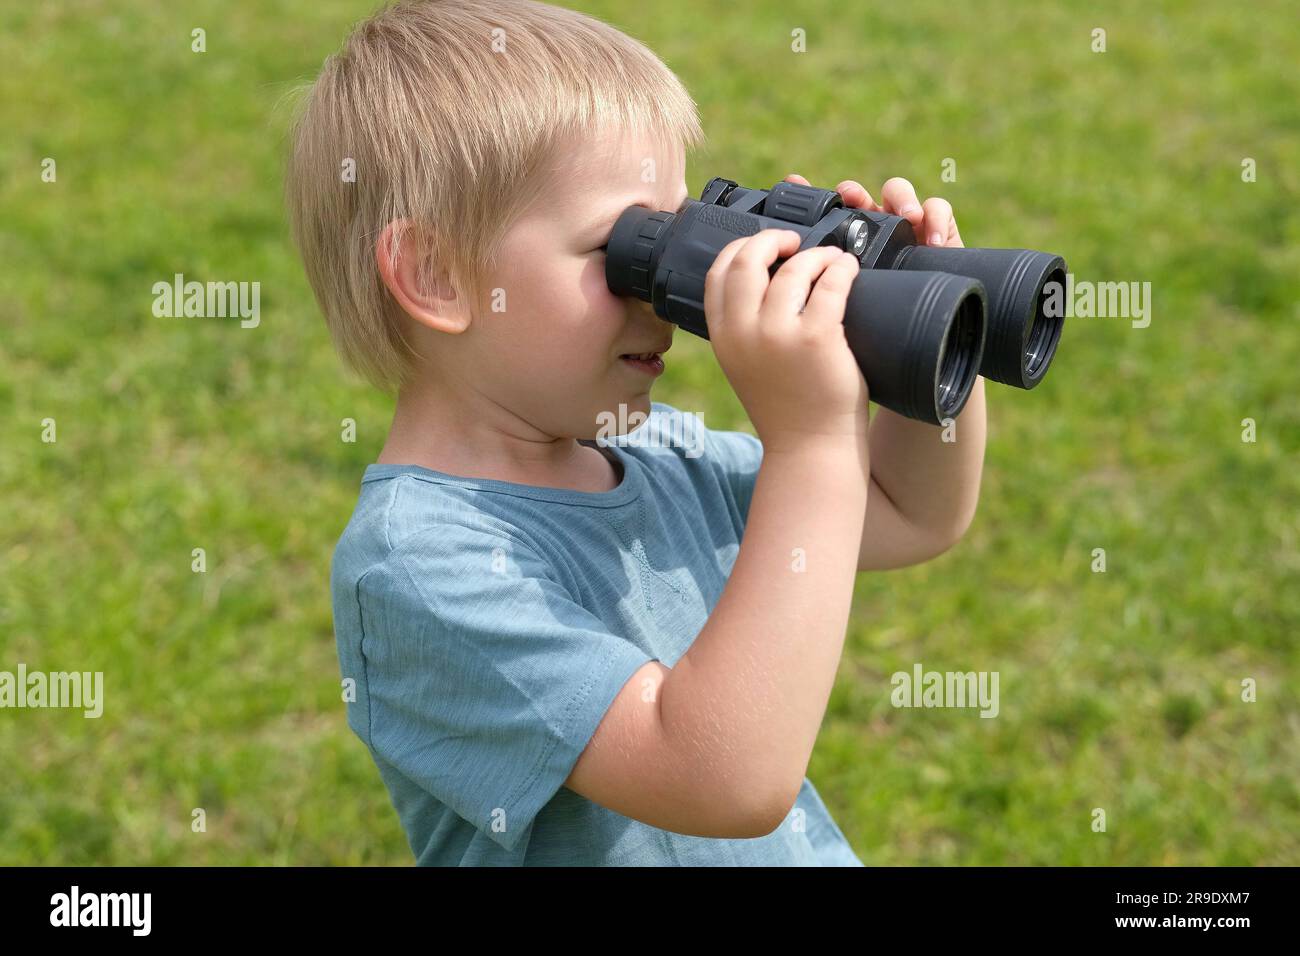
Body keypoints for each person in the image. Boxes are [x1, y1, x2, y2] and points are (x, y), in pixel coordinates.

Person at [285, 0, 983, 865]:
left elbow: (909, 510)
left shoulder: (651, 453)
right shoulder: (419, 566)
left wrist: (922, 326)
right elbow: (721, 778)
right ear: (435, 274)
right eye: (627, 248)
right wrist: (811, 445)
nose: (665, 289)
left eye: (682, 230)